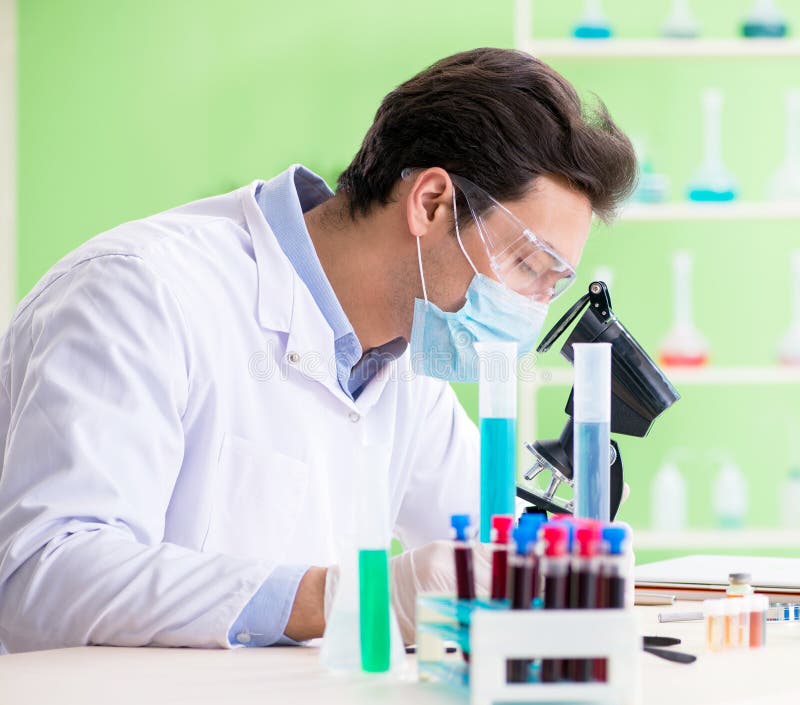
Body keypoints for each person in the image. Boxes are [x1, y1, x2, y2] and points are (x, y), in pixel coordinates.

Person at [0, 47, 636, 653]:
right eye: (527, 264)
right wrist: (339, 599)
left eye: (552, 288)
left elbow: (483, 542)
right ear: (431, 202)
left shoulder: (402, 359)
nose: (530, 310)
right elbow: (40, 580)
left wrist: (569, 557)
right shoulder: (140, 292)